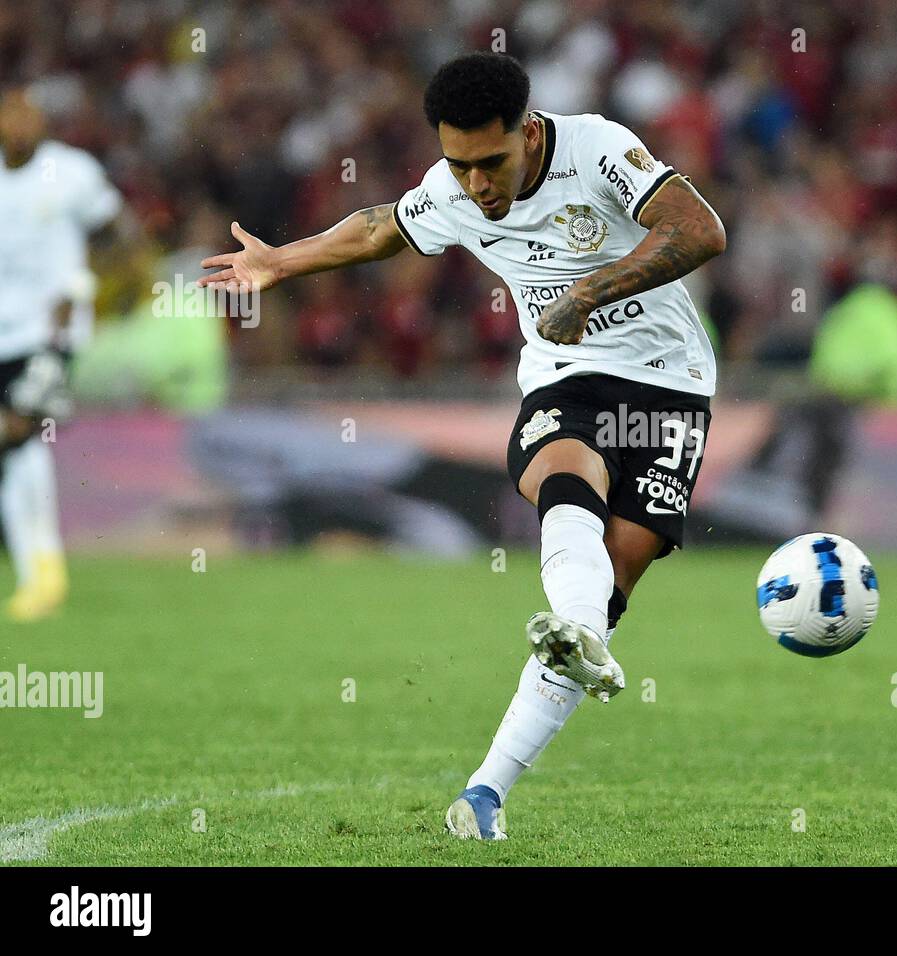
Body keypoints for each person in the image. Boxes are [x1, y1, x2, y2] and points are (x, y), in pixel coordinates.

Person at [199, 53, 726, 840]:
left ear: (531, 131)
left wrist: (590, 289)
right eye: (460, 164)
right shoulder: (452, 189)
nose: (477, 184)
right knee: (564, 478)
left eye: (492, 162)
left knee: (618, 570)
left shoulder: (599, 149)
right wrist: (283, 260)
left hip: (669, 382)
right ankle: (492, 784)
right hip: (565, 374)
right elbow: (382, 226)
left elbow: (700, 228)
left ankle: (497, 767)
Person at [0, 85, 122, 621]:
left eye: (27, 113)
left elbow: (118, 234)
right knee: (13, 449)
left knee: (18, 429)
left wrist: (86, 290)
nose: (19, 124)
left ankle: (42, 570)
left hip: (49, 332)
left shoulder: (72, 172)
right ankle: (37, 571)